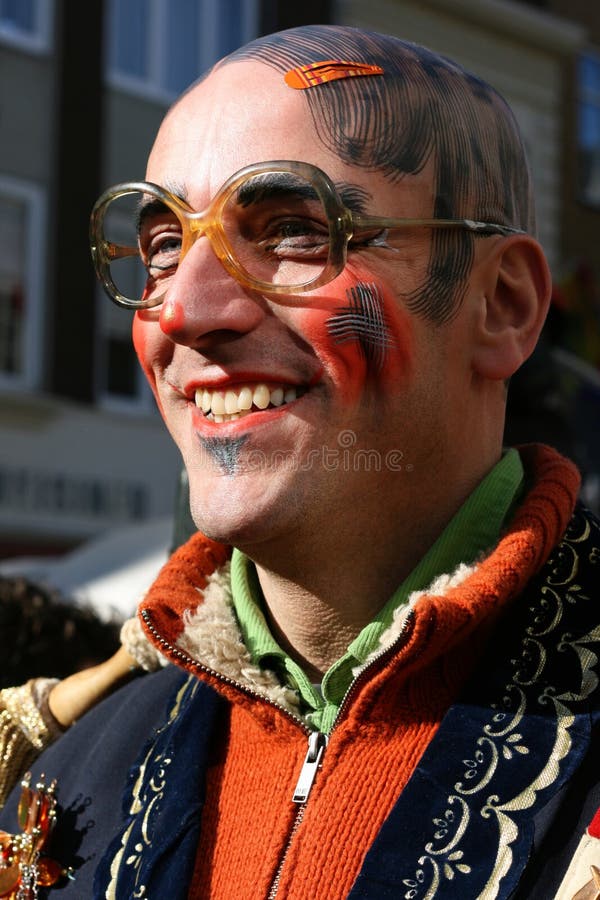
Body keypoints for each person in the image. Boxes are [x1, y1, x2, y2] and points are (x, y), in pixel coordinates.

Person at [0, 23, 598, 900]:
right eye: (163, 247)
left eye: (290, 230)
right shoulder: (71, 767)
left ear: (502, 306)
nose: (183, 311)